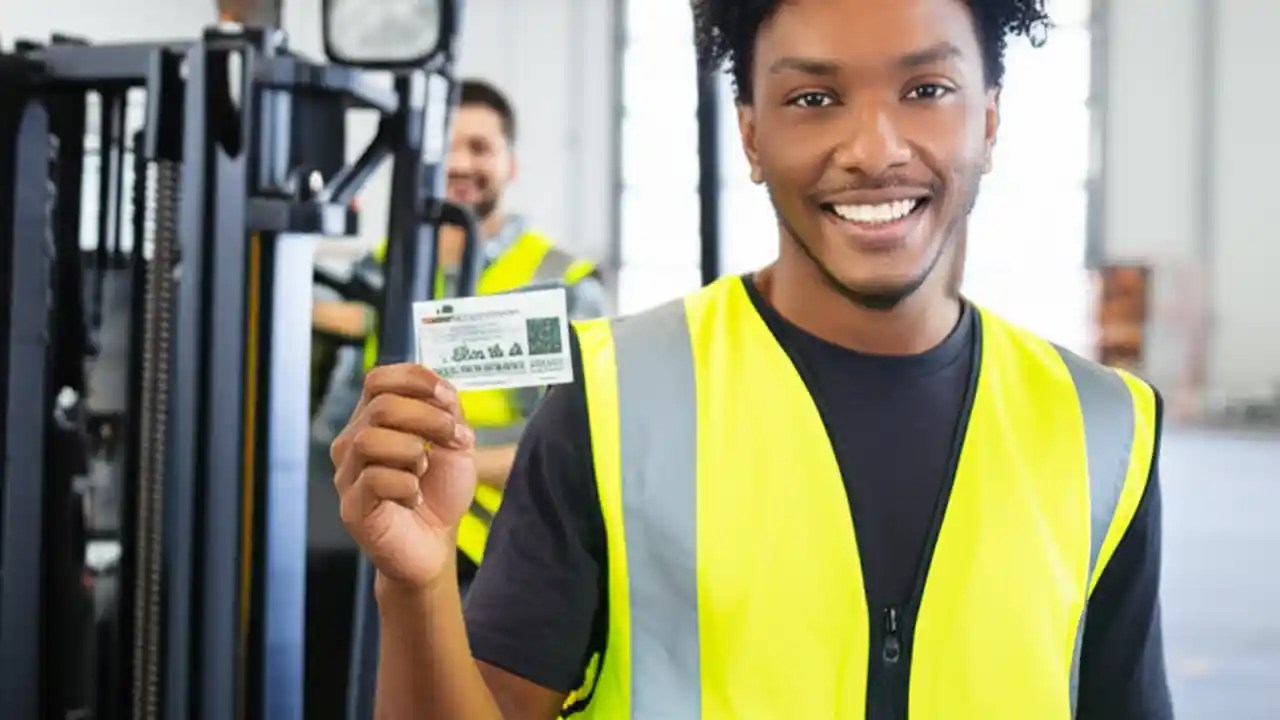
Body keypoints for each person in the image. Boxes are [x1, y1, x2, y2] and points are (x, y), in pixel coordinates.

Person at [328, 0, 1174, 717]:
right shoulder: (615, 400)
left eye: (927, 90)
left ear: (987, 122)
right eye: (813, 97)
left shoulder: (1104, 425)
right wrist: (418, 589)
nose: (874, 148)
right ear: (751, 134)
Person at [313, 78, 607, 586]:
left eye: (479, 147)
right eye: (447, 147)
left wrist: (441, 468)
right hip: (385, 551)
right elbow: (334, 429)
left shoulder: (559, 281)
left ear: (509, 165)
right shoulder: (376, 275)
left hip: (515, 555)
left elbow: (580, 445)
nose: (461, 164)